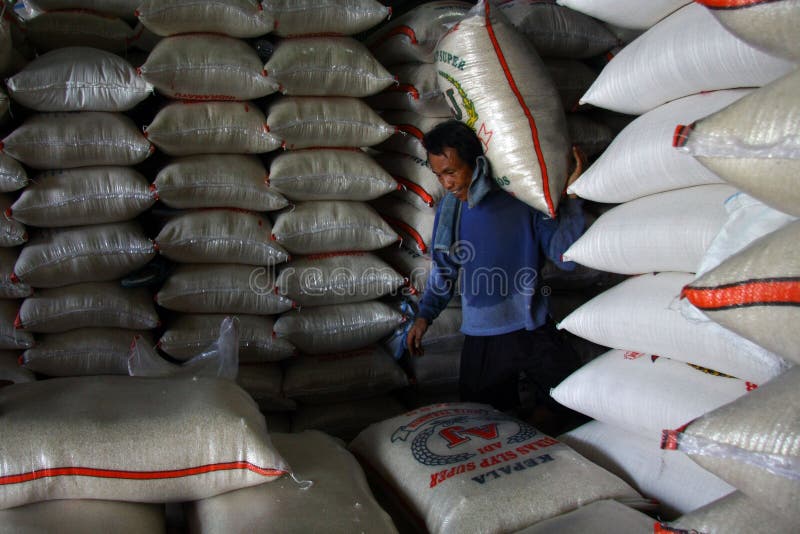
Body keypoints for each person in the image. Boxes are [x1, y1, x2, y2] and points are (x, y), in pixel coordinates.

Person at [406, 119, 586, 429]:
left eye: (451, 172)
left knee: (575, 402)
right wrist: (424, 316)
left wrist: (572, 199)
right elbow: (444, 271)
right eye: (439, 175)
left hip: (533, 328)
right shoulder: (451, 212)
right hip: (483, 336)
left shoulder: (523, 200)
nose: (446, 184)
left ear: (476, 164)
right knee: (484, 427)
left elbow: (566, 258)